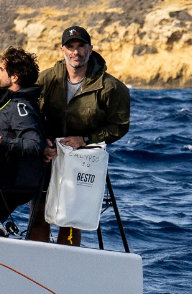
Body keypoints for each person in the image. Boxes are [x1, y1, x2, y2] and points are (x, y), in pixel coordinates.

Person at [36, 26, 130, 245]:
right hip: (47, 156)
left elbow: (119, 126)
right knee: (39, 214)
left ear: (90, 49)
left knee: (71, 219)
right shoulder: (46, 79)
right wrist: (40, 141)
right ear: (62, 50)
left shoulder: (111, 87)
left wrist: (86, 139)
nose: (75, 52)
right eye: (70, 47)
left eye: (81, 46)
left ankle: (66, 261)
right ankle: (36, 260)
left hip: (82, 160)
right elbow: (29, 112)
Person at [0, 48, 54, 239]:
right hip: (9, 183)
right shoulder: (16, 103)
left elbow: (34, 144)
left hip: (14, 185)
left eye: (1, 70)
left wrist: (0, 141)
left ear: (14, 77)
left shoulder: (19, 106)